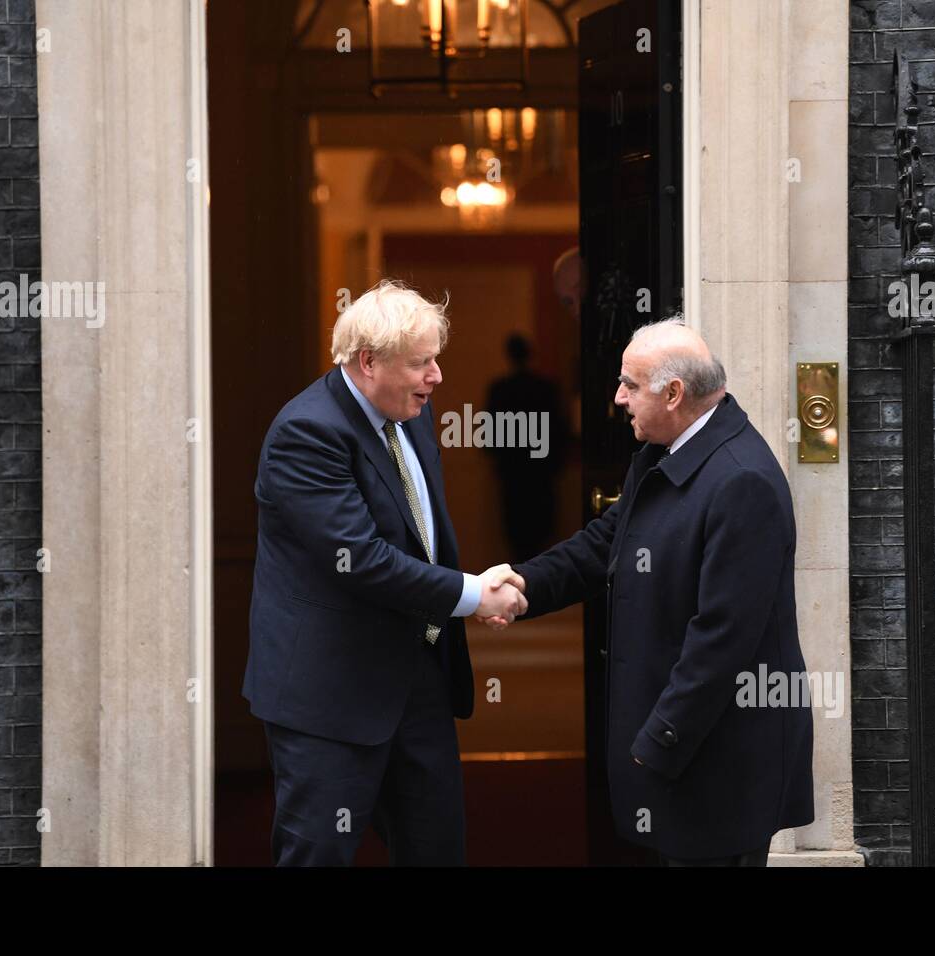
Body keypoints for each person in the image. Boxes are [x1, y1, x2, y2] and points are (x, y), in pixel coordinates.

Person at [483, 317, 814, 866]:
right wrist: (524, 585)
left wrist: (659, 737)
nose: (617, 397)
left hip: (718, 763)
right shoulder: (665, 453)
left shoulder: (740, 481)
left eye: (629, 385)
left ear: (674, 392)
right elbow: (603, 544)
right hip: (684, 756)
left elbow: (723, 639)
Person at [243, 279, 526, 866]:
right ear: (367, 362)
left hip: (418, 682)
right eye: (422, 363)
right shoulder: (308, 433)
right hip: (329, 696)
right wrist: (473, 595)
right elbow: (362, 559)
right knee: (318, 856)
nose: (437, 376)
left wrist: (462, 597)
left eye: (435, 360)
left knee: (437, 851)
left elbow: (422, 536)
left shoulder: (413, 416)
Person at [484, 333, 565, 560]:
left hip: (514, 474)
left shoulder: (501, 389)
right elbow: (559, 430)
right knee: (542, 534)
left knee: (518, 537)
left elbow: (490, 436)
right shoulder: (545, 388)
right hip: (541, 473)